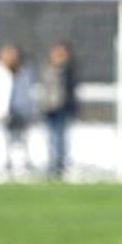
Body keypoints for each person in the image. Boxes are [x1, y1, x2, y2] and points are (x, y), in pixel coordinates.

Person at [0, 43, 36, 178]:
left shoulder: (24, 71)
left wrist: (29, 110)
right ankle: (1, 168)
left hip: (18, 111)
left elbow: (27, 93)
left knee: (20, 142)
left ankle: (21, 168)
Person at [39, 41, 77, 180]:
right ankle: (52, 166)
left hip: (63, 108)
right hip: (50, 108)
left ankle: (60, 166)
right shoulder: (48, 68)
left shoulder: (69, 70)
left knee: (61, 139)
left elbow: (71, 91)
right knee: (51, 139)